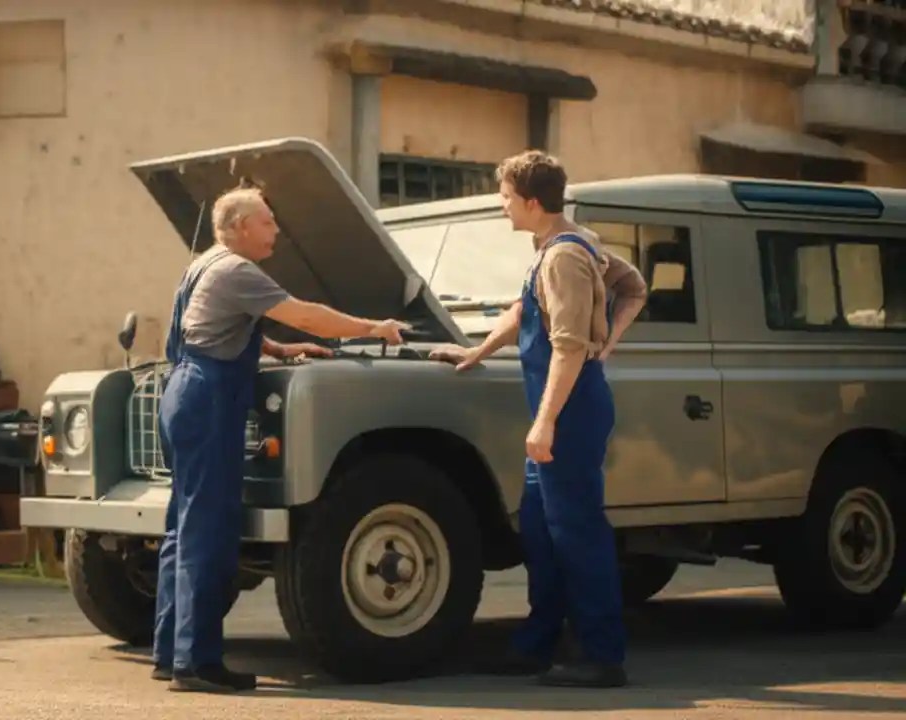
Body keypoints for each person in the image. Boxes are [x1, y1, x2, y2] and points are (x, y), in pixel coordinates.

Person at [153, 185, 411, 694]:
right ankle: (197, 663)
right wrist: (374, 327)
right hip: (209, 400)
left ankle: (170, 651)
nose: (276, 230)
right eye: (268, 221)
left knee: (183, 528)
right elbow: (306, 312)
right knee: (210, 532)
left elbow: (200, 330)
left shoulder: (202, 266)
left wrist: (278, 349)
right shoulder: (237, 270)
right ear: (242, 226)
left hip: (183, 390)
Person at [430, 150, 647, 688]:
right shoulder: (560, 245)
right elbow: (529, 310)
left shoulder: (564, 258)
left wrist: (546, 420)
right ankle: (537, 644)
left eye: (505, 198)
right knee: (540, 531)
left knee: (577, 531)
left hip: (570, 407)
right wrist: (475, 353)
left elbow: (570, 347)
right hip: (562, 405)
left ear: (530, 202)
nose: (502, 207)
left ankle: (602, 655)